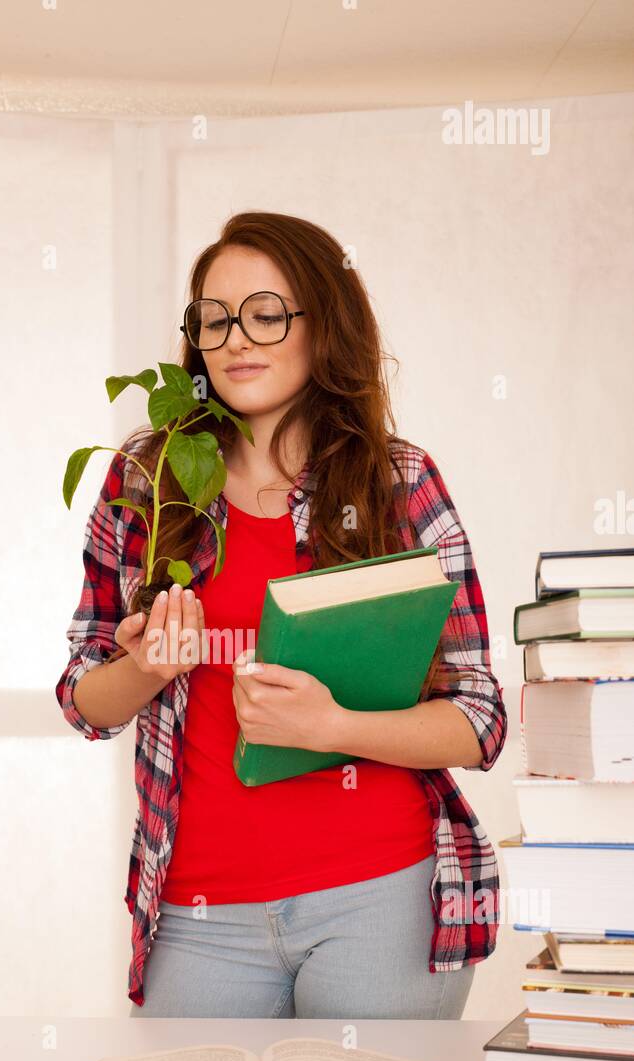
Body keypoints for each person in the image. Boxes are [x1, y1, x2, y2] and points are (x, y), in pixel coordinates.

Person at [56, 210, 507, 1018]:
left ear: (322, 323)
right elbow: (84, 702)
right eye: (214, 319)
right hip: (198, 913)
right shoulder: (145, 483)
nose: (237, 338)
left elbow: (480, 719)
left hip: (381, 900)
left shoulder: (399, 484)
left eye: (267, 313)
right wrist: (146, 668)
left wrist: (332, 726)